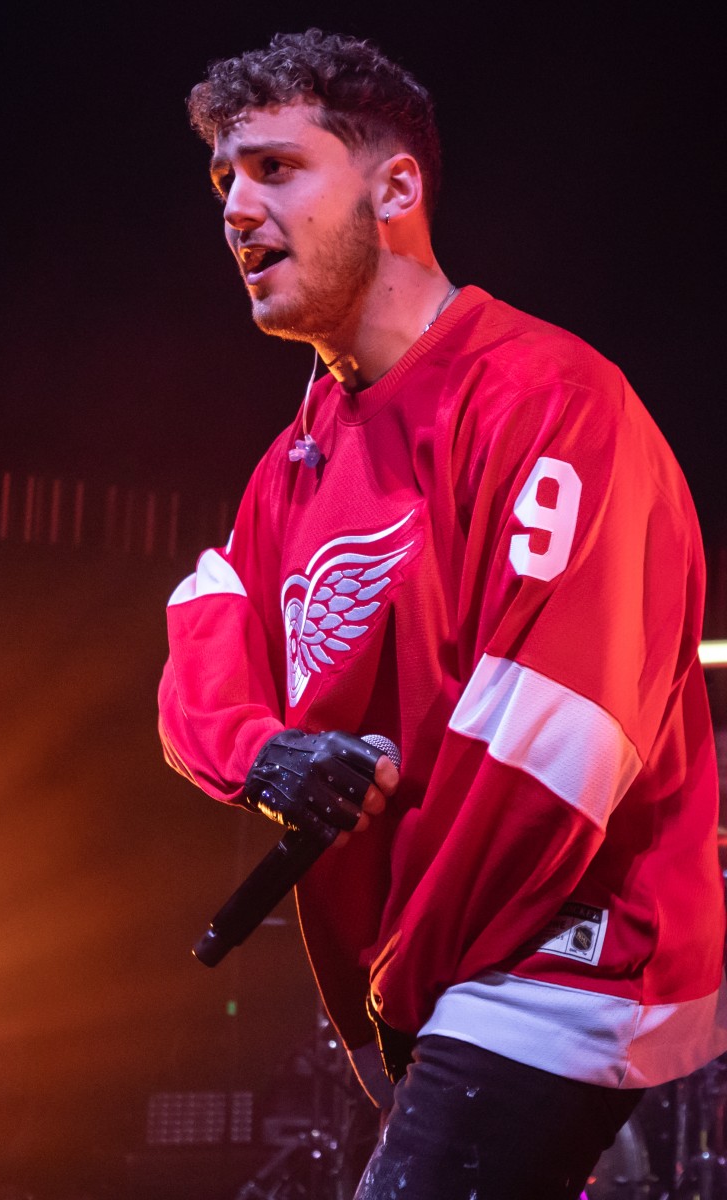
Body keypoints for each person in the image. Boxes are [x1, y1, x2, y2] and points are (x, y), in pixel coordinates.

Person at [158, 28, 727, 1199]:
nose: (237, 209)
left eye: (275, 168)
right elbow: (205, 636)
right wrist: (261, 753)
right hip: (430, 987)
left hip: (557, 957)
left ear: (395, 188)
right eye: (224, 181)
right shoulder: (296, 459)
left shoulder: (549, 400)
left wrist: (404, 985)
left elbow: (549, 752)